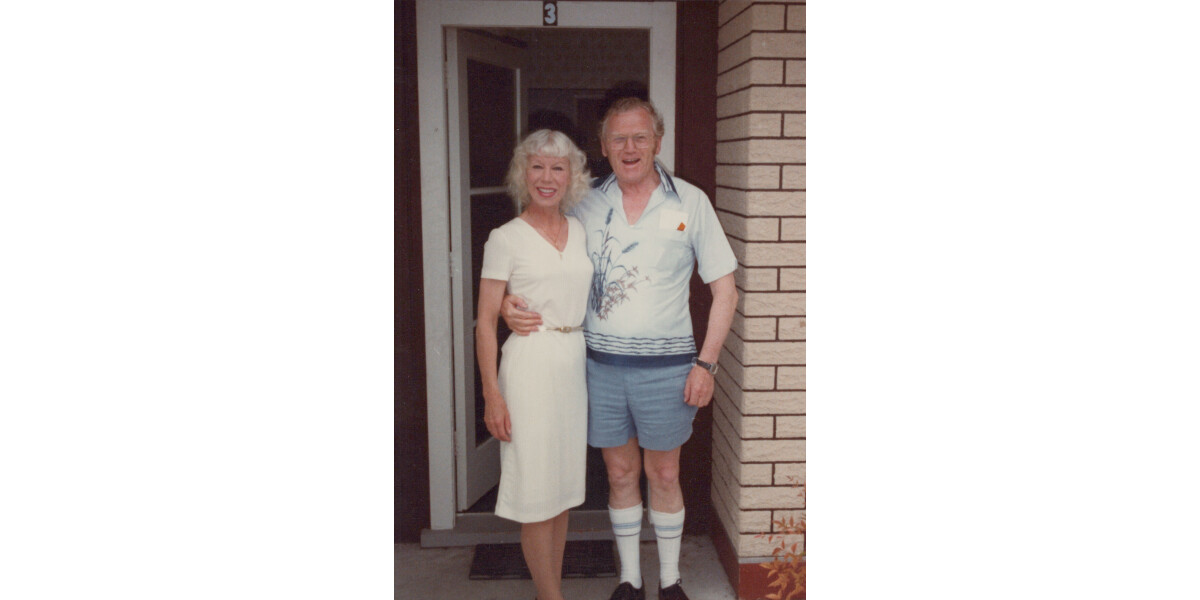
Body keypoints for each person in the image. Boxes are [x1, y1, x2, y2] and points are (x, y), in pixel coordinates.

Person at [502, 98, 738, 600]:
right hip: (601, 367)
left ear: (657, 142)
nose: (629, 148)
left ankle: (670, 581)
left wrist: (707, 363)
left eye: (639, 137)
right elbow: (539, 257)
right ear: (604, 148)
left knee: (666, 471)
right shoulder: (584, 203)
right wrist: (506, 303)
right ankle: (629, 581)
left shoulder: (690, 203)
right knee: (620, 471)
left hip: (671, 368)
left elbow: (726, 290)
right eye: (618, 139)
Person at [475, 129, 594, 600]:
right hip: (529, 369)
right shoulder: (505, 238)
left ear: (572, 177)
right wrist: (492, 395)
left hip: (571, 364)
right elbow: (485, 323)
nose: (548, 177)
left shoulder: (580, 230)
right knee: (537, 499)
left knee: (561, 495)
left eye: (558, 167)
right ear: (523, 174)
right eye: (538, 166)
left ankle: (553, 590)